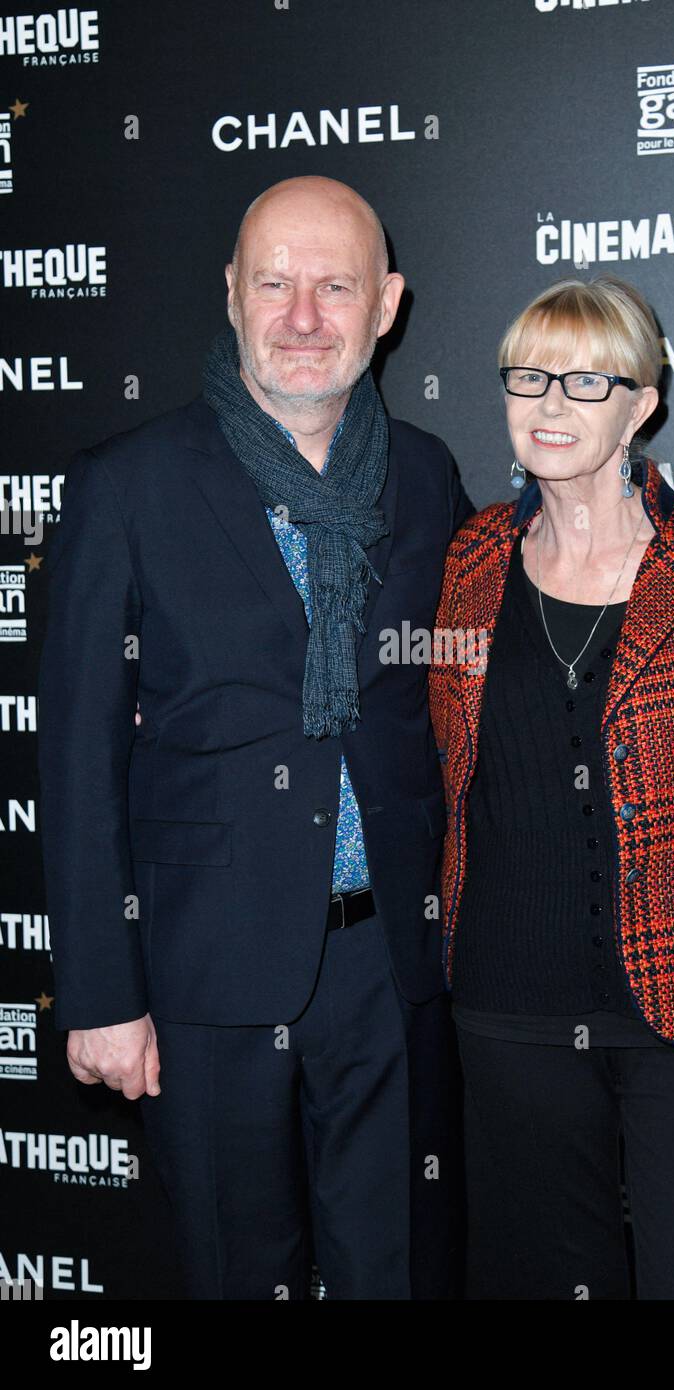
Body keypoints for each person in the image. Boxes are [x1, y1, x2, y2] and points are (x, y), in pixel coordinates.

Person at [36, 175, 475, 1300]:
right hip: (201, 965)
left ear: (387, 307)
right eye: (273, 283)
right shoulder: (124, 486)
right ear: (230, 294)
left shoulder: (424, 476)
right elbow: (79, 758)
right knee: (238, 1275)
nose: (301, 317)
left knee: (398, 1273)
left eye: (335, 287)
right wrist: (98, 990)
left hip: (388, 963)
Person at [428, 275, 674, 1300]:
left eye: (585, 380)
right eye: (527, 376)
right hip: (505, 1008)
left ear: (640, 402)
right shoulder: (470, 557)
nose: (550, 404)